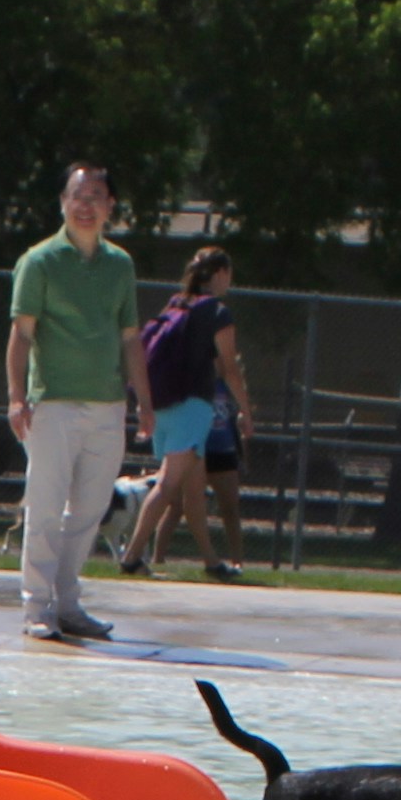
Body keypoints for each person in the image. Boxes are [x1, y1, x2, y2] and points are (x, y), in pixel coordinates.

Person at [4, 164, 145, 645]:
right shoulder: (39, 262)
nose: (87, 205)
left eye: (97, 196)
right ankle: (36, 607)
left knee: (90, 508)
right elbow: (21, 335)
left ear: (110, 207)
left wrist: (143, 401)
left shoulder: (121, 266)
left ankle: (67, 601)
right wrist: (16, 397)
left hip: (107, 406)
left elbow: (130, 338)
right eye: (78, 196)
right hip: (52, 405)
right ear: (63, 203)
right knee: (44, 506)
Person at [122, 244, 258, 580]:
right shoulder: (217, 312)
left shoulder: (176, 305)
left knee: (193, 489)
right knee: (168, 483)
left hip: (164, 404)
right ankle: (131, 556)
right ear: (220, 273)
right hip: (193, 406)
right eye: (229, 274)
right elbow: (229, 368)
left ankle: (212, 563)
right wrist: (246, 410)